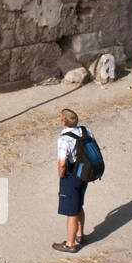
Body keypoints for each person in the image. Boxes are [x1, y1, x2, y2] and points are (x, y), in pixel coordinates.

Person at [54, 108, 91, 253]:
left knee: (71, 211)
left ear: (63, 121)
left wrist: (61, 175)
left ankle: (70, 244)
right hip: (85, 173)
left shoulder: (64, 139)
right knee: (78, 204)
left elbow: (63, 163)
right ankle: (80, 235)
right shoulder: (85, 130)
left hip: (72, 175)